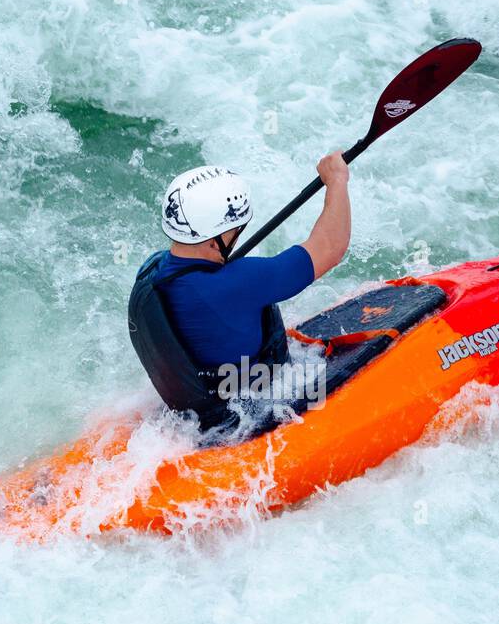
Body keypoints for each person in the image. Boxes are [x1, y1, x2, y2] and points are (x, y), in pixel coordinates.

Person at [128, 154, 351, 430]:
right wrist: (337, 180)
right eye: (235, 229)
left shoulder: (153, 268)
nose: (238, 233)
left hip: (197, 408)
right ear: (214, 239)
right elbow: (331, 246)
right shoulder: (238, 283)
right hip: (244, 408)